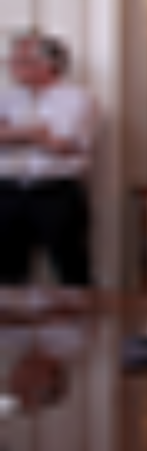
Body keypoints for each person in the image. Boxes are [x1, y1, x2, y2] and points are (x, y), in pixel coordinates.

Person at [0, 33, 97, 286]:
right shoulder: (6, 98)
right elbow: (43, 137)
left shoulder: (77, 99)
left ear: (48, 64)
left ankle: (80, 313)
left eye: (21, 60)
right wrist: (34, 133)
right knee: (7, 271)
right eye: (12, 60)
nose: (11, 66)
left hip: (55, 193)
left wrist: (12, 133)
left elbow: (63, 145)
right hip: (7, 192)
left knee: (70, 267)